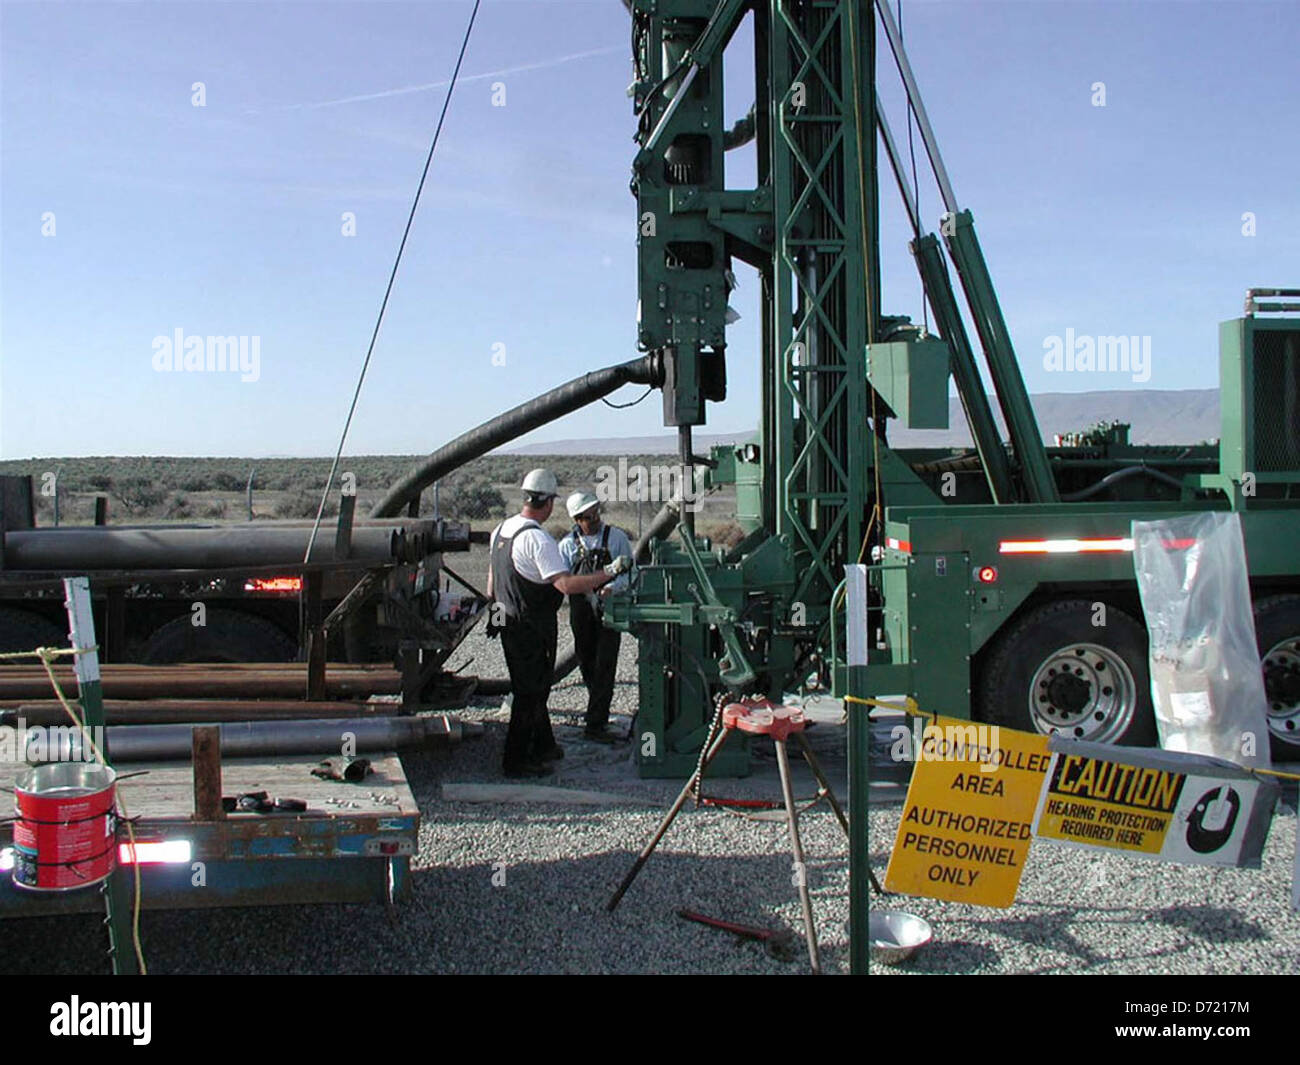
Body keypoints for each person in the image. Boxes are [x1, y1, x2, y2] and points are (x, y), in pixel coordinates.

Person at [486, 470, 631, 778]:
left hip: (509, 622)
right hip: (531, 626)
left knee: (533, 687)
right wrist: (608, 573)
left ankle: (544, 746)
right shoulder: (538, 539)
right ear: (549, 502)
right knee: (530, 693)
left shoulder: (500, 530)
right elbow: (565, 585)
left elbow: (491, 583)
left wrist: (495, 614)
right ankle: (516, 761)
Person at [559, 491, 633, 743]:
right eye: (588, 517)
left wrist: (616, 586)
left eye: (596, 514)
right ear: (577, 519)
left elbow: (631, 572)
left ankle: (596, 723)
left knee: (605, 663)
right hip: (580, 611)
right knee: (587, 661)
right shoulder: (567, 545)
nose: (594, 520)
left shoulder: (616, 538)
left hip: (609, 608)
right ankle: (597, 711)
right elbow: (562, 579)